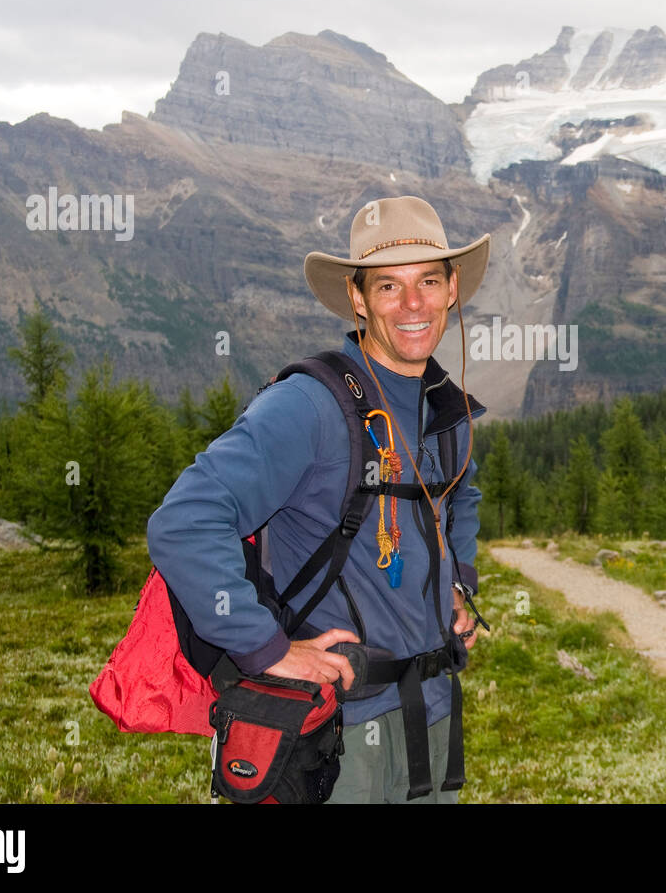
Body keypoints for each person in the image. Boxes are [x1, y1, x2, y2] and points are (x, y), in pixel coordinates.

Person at [146, 195, 490, 803]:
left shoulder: (444, 406)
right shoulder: (310, 404)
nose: (413, 304)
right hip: (339, 734)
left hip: (435, 717)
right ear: (358, 299)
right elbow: (185, 520)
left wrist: (458, 582)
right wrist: (265, 647)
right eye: (389, 286)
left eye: (428, 281)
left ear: (452, 288)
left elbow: (461, 493)